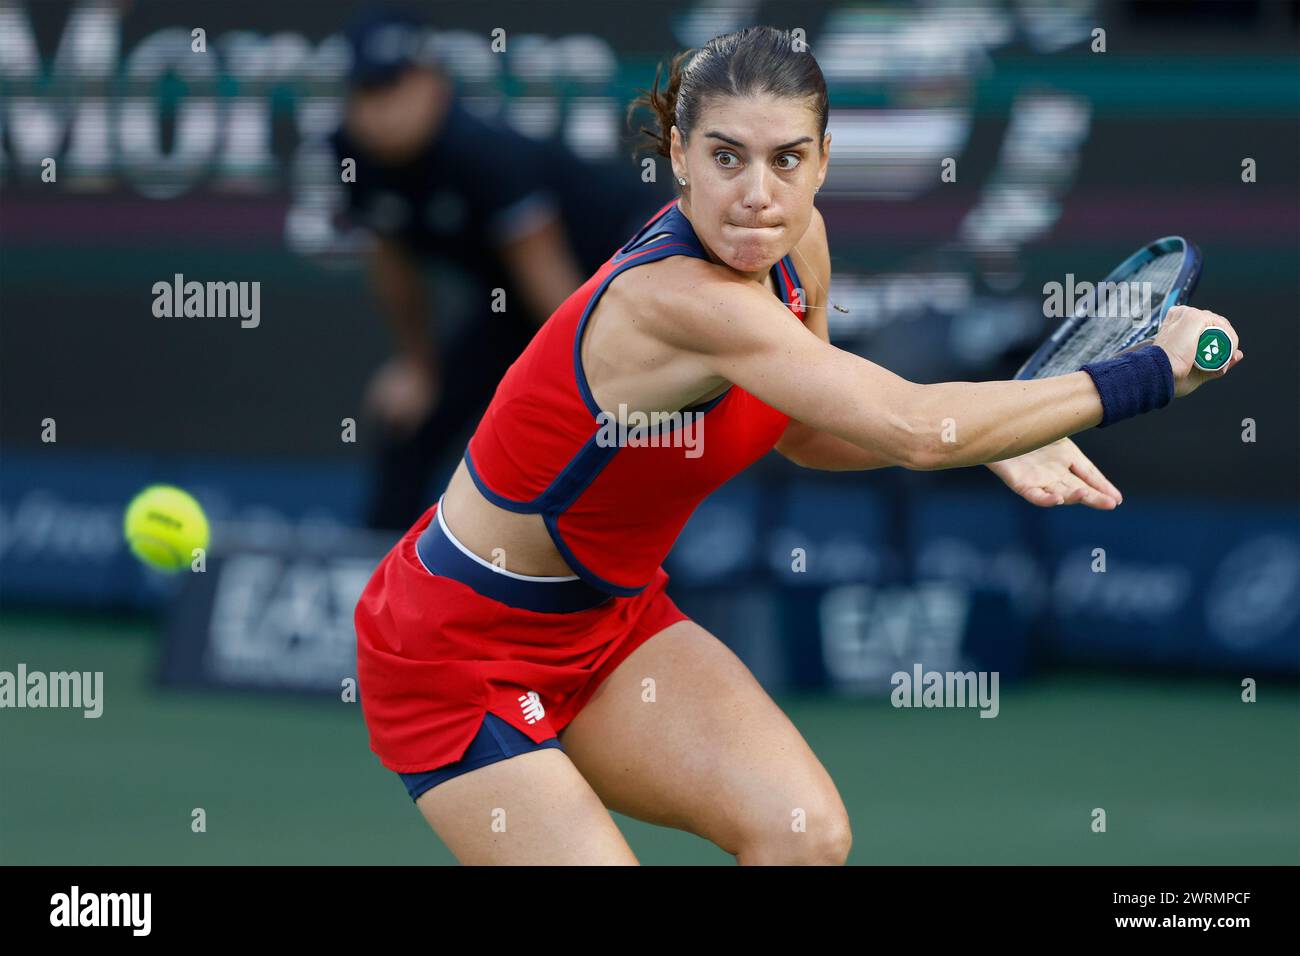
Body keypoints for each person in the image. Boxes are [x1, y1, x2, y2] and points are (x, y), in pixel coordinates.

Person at [353, 25, 1244, 865]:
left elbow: (812, 433)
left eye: (787, 160)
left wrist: (995, 436)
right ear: (678, 159)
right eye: (725, 157)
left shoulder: (796, 244)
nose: (757, 194)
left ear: (822, 163)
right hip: (455, 652)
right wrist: (1149, 375)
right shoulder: (679, 302)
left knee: (802, 834)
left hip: (611, 629)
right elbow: (910, 427)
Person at [331, 9, 668, 529]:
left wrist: (593, 380)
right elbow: (393, 264)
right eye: (367, 91)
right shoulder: (352, 154)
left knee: (599, 427)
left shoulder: (482, 153)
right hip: (513, 296)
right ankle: (371, 582)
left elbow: (555, 293)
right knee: (412, 420)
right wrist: (418, 367)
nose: (383, 110)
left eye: (396, 86)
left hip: (618, 272)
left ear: (433, 84)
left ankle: (640, 589)